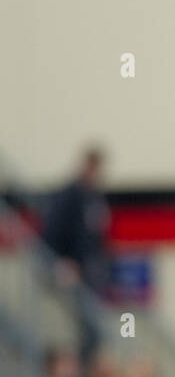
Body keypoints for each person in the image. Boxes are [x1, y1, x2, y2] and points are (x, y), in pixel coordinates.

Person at [40, 148, 111, 363]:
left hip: (92, 269)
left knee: (93, 329)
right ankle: (81, 369)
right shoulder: (70, 195)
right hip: (76, 270)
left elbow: (96, 234)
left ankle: (87, 367)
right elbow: (53, 230)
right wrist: (64, 261)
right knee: (88, 329)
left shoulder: (94, 196)